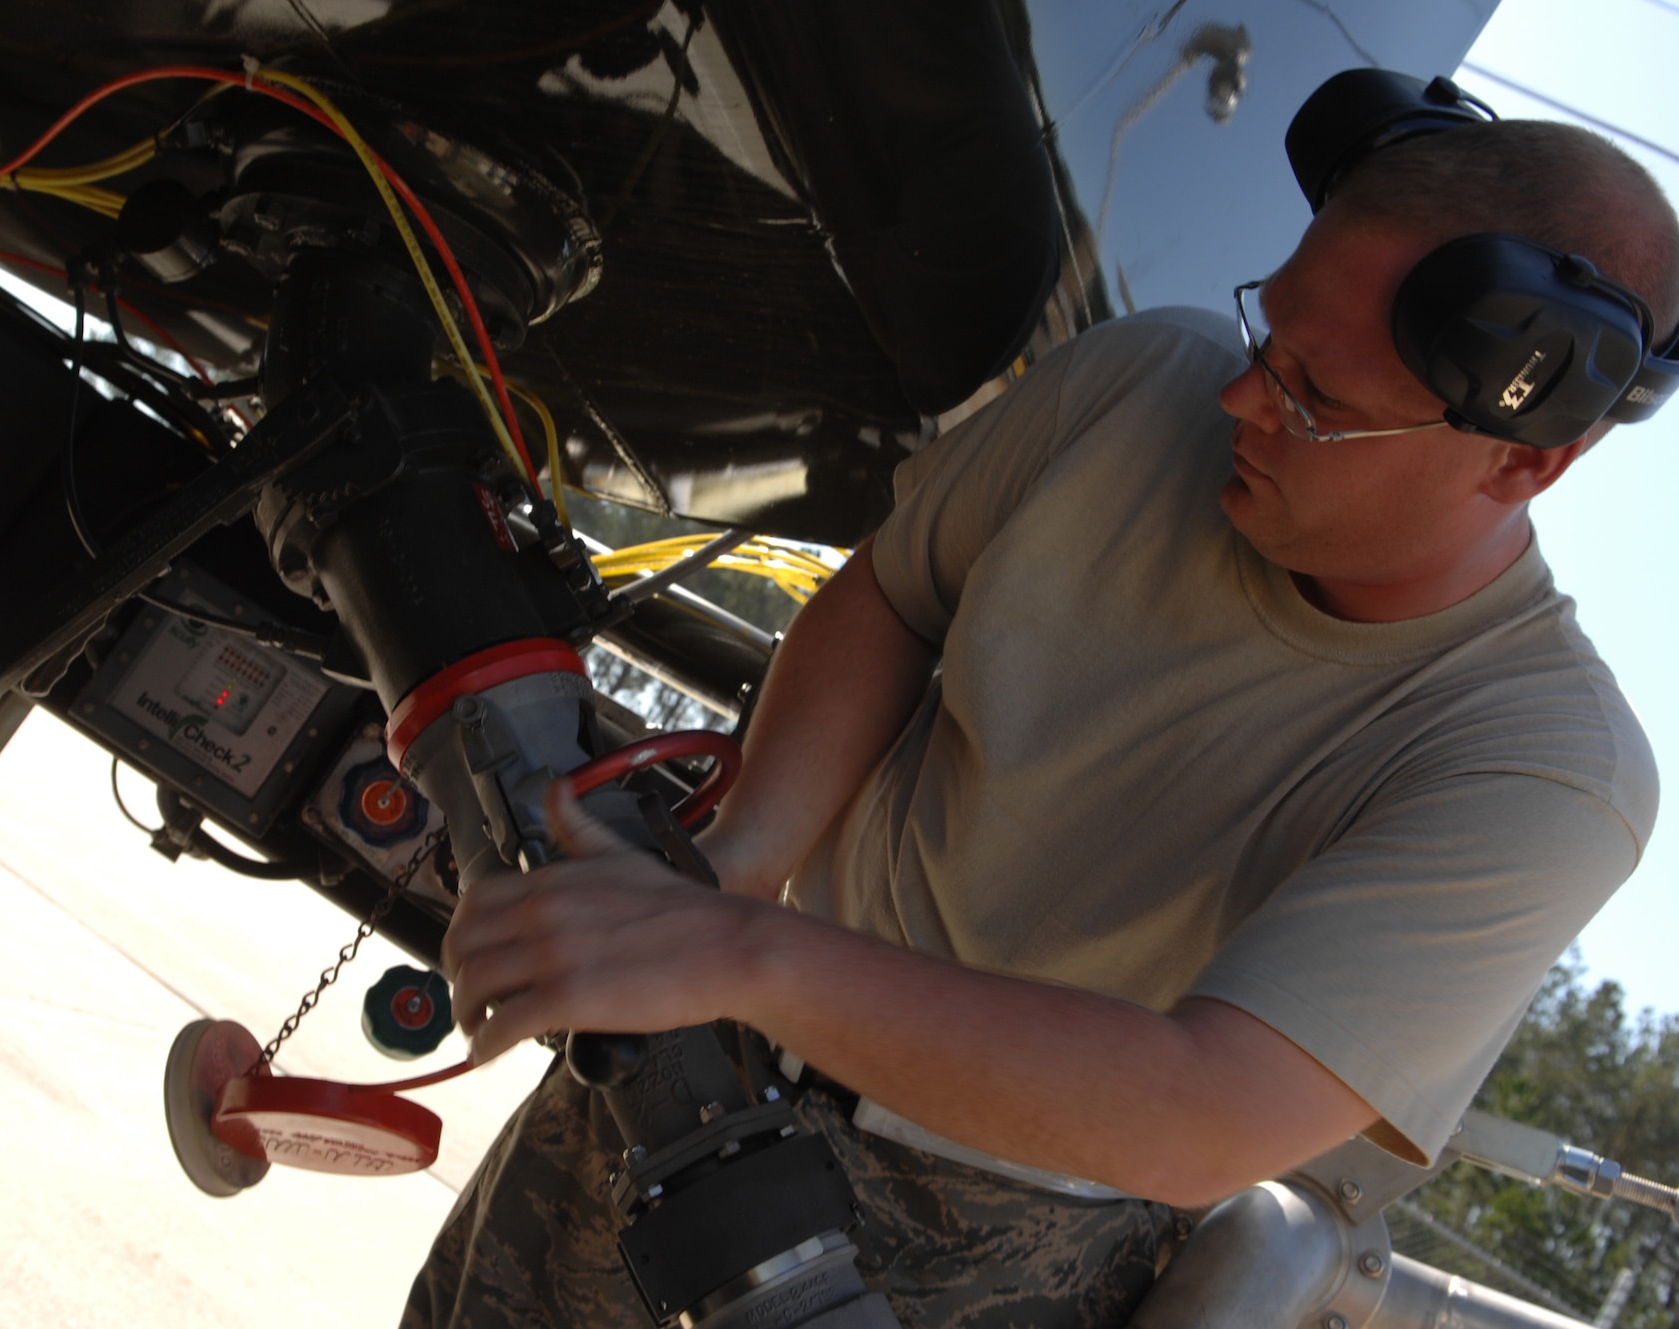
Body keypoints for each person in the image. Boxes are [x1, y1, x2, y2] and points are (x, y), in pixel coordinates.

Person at [405, 113, 1675, 1328]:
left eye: (1311, 396)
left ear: (1521, 458)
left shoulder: (1545, 770)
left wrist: (738, 950)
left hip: (971, 1249)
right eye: (1265, 336)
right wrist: (735, 866)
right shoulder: (1142, 384)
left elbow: (1202, 1115)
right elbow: (895, 597)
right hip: (693, 1067)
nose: (1239, 399)